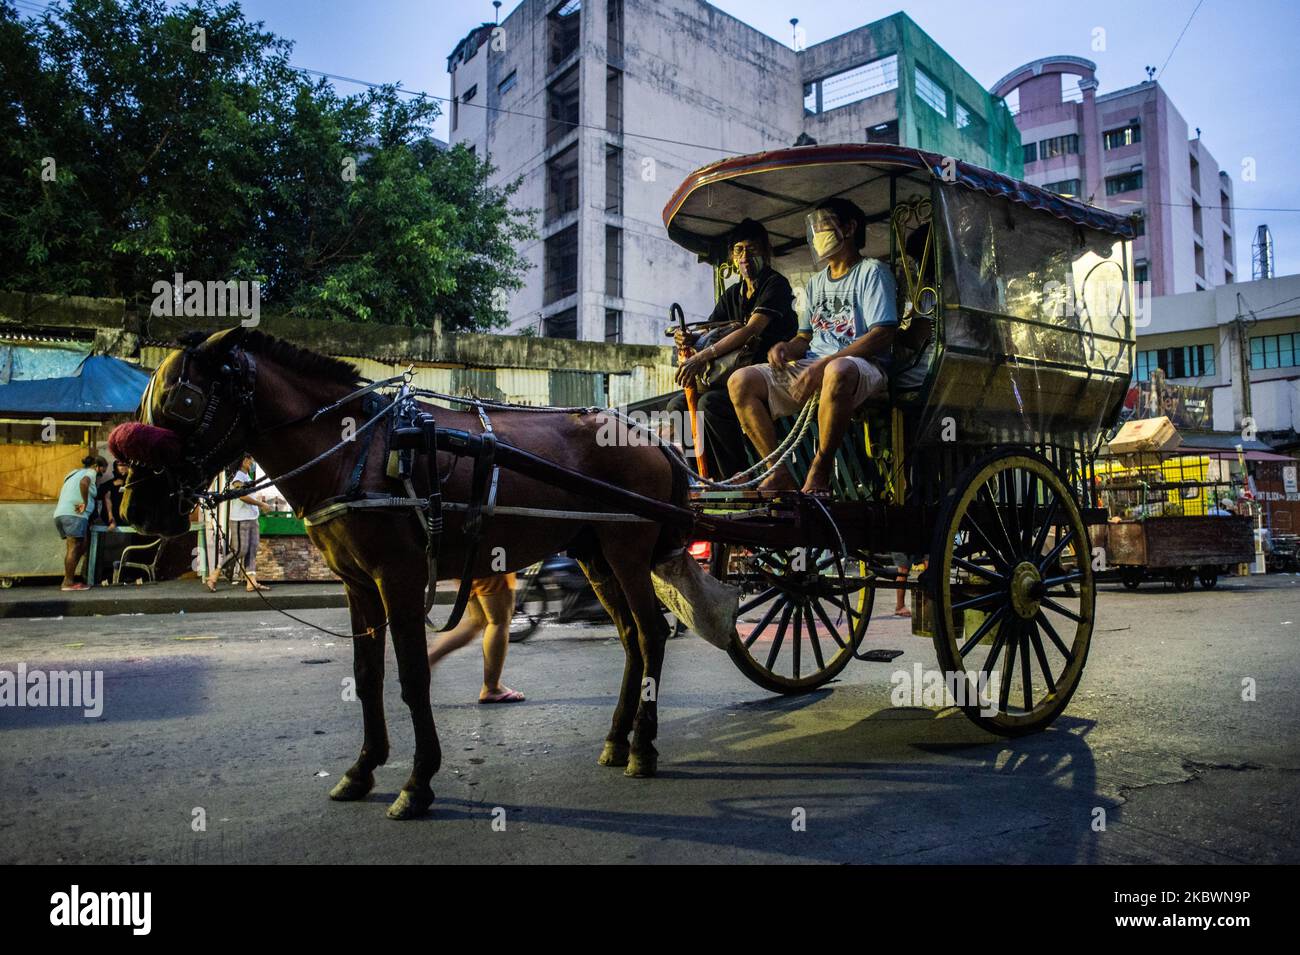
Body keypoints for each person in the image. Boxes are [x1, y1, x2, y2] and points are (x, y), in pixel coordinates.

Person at [729, 198, 898, 495]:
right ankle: (778, 472)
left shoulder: (872, 272)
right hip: (816, 364)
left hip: (863, 367)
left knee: (837, 369)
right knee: (740, 381)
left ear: (848, 228)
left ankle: (820, 469)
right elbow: (804, 339)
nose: (817, 234)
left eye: (824, 226)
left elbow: (882, 334)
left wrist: (823, 365)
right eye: (816, 228)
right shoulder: (815, 283)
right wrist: (785, 348)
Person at [667, 219, 798, 478]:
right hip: (729, 380)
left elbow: (751, 330)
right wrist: (688, 339)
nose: (745, 257)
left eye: (752, 249)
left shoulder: (775, 285)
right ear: (732, 256)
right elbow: (710, 332)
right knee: (677, 407)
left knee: (710, 404)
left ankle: (738, 477)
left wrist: (702, 356)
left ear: (765, 251)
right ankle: (705, 478)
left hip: (766, 378)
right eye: (739, 250)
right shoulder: (733, 294)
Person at [426, 573, 525, 704]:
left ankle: (425, 662)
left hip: (465, 563)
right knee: (499, 620)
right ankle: (492, 688)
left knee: (477, 620)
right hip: (491, 560)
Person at [205, 453, 273, 592]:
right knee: (240, 550)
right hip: (240, 519)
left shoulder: (247, 477)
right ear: (244, 461)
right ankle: (214, 575)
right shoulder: (238, 477)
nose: (253, 462)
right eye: (251, 460)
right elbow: (241, 496)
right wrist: (261, 504)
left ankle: (251, 582)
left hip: (252, 517)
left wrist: (259, 504)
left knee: (252, 550)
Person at [52, 454, 106, 591]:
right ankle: (68, 583)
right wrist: (84, 502)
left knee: (80, 546)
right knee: (74, 547)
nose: (100, 476)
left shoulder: (72, 473)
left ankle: (68, 580)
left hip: (61, 514)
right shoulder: (91, 472)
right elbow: (84, 483)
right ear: (96, 466)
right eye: (102, 472)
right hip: (74, 514)